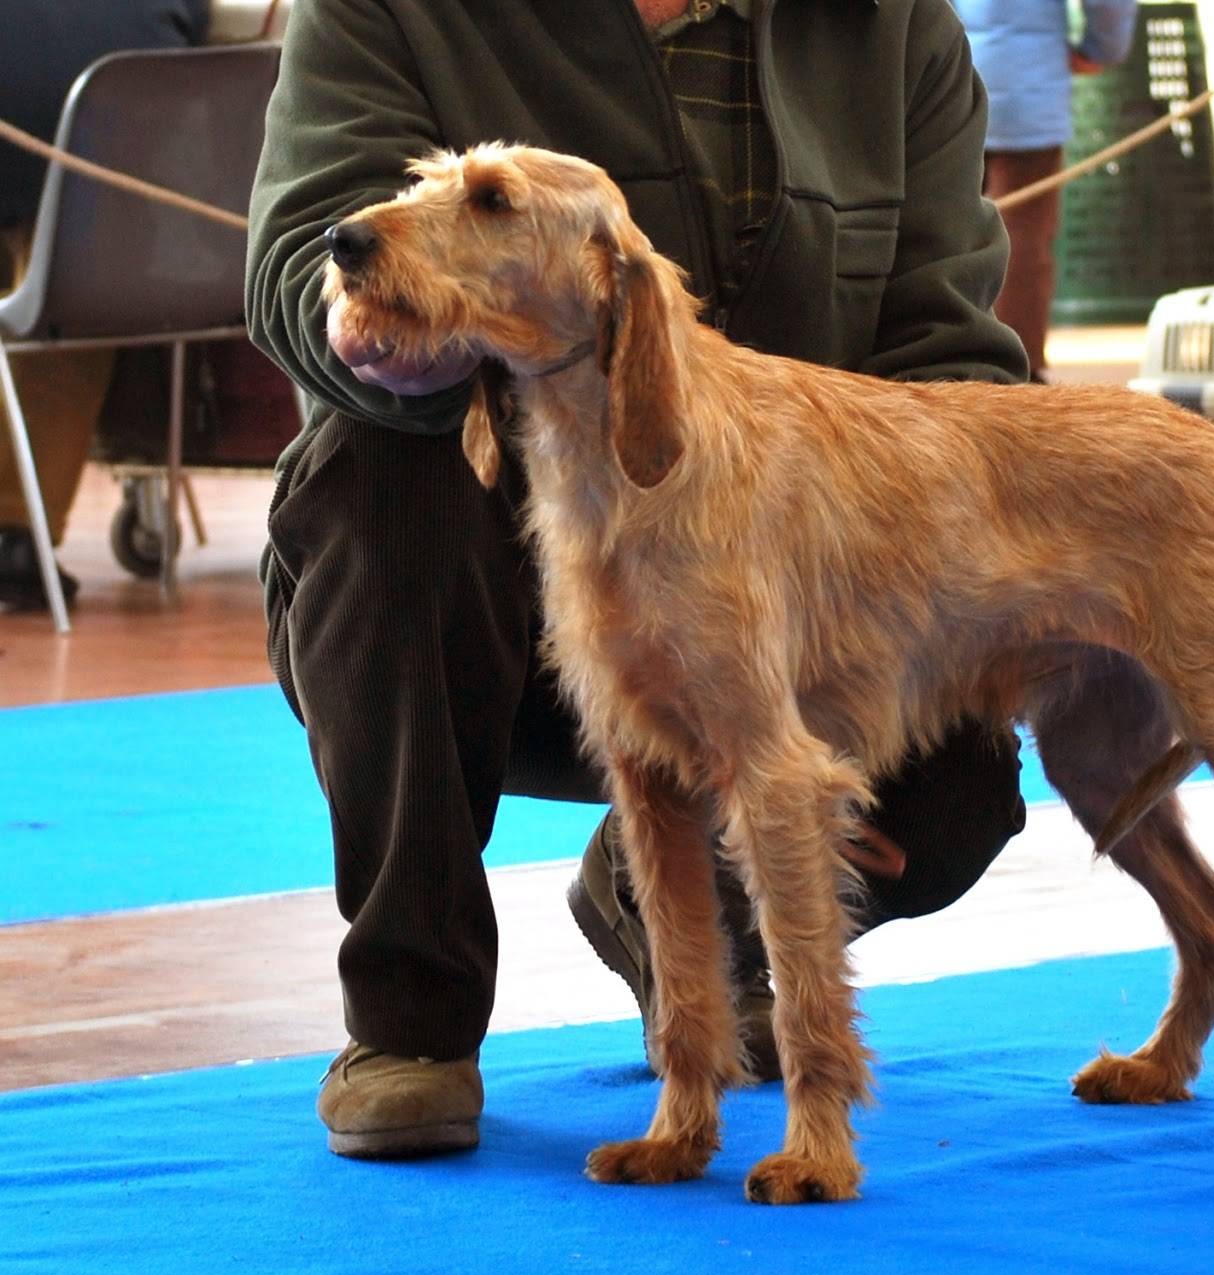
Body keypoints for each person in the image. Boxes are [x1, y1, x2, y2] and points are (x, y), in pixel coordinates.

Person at [249, 0, 1033, 1160]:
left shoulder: (894, 26)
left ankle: (675, 897)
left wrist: (914, 629)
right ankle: (411, 1020)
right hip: (477, 598)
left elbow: (945, 352)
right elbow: (306, 250)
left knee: (953, 790)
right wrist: (379, 345)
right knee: (381, 482)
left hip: (770, 602)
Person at [0, 0, 211, 611]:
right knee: (61, 308)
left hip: (77, 238)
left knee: (46, 287)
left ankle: (17, 525)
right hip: (125, 250)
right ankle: (18, 530)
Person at [950, 0, 1136, 380]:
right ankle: (1015, 372)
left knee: (948, 233)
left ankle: (947, 364)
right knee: (1022, 238)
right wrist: (1101, 48)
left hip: (953, 83)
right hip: (1028, 88)